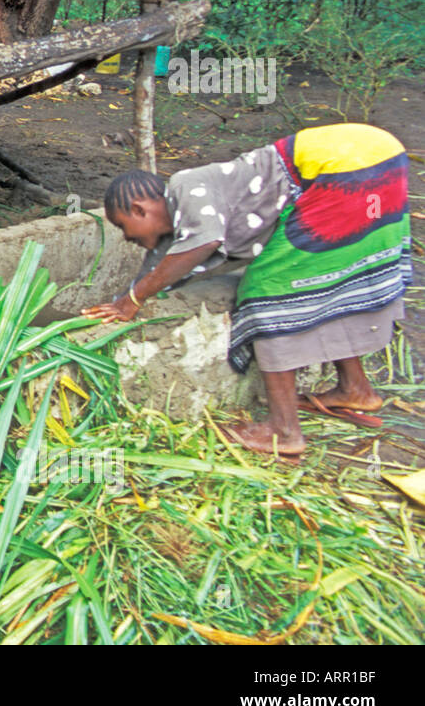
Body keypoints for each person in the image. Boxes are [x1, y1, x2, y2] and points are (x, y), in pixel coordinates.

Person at [83, 123, 412, 456]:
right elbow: (157, 270)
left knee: (268, 290)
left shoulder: (185, 185)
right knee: (326, 281)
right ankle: (356, 390)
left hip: (340, 166)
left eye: (125, 228)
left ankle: (284, 431)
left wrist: (133, 299)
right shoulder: (178, 227)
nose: (128, 239)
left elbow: (204, 242)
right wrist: (122, 301)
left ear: (139, 209)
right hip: (375, 154)